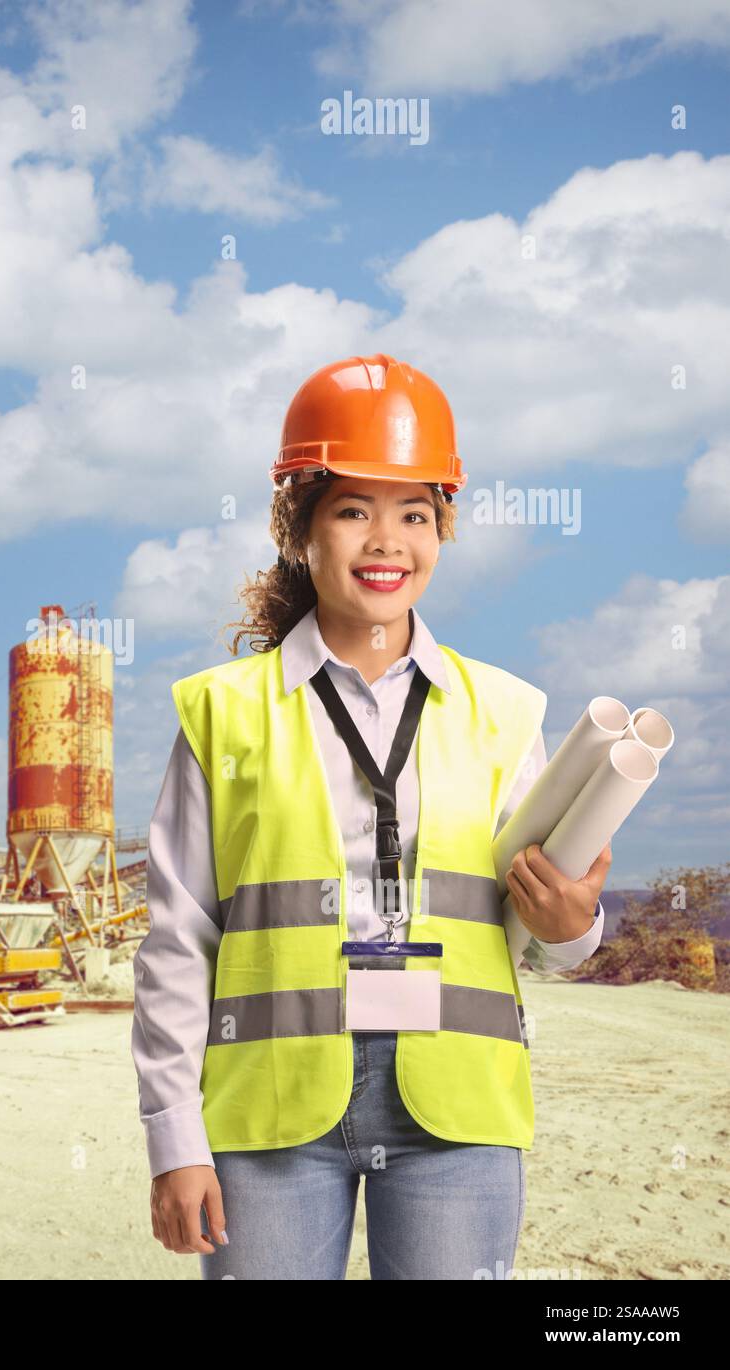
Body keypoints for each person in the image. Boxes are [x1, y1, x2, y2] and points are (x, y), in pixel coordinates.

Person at [130, 353, 610, 1280]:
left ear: (441, 533)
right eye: (353, 509)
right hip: (271, 1106)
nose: (386, 541)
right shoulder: (222, 713)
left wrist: (575, 925)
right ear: (299, 528)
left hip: (457, 1107)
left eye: (414, 513)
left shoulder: (506, 713)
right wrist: (173, 1137)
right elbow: (178, 940)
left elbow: (546, 930)